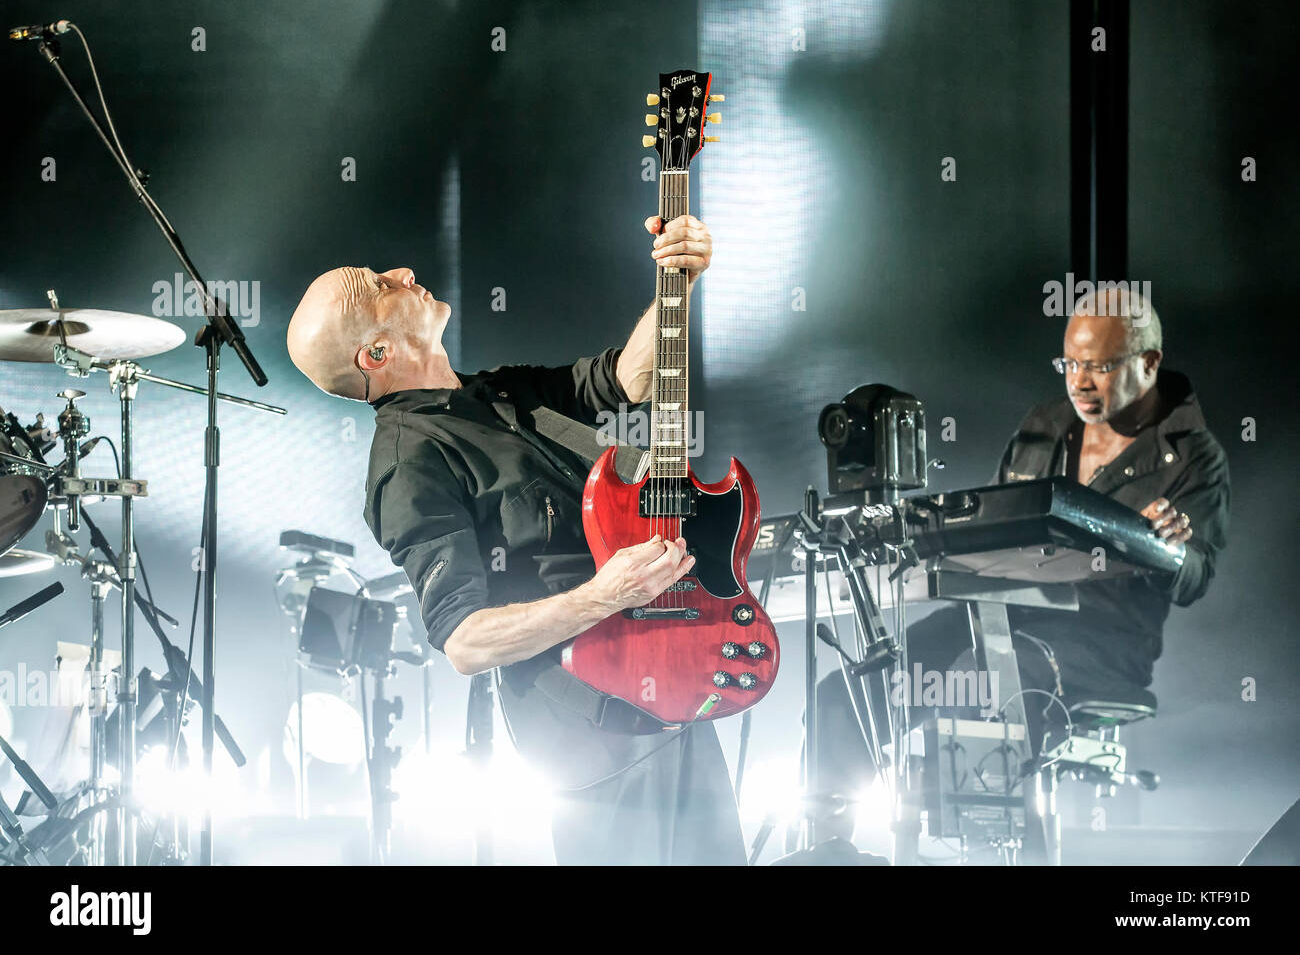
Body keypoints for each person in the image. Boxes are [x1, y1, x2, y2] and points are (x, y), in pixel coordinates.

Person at [286, 213, 747, 865]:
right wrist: (602, 596)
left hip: (673, 685)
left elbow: (631, 378)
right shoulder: (407, 463)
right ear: (377, 354)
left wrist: (680, 280)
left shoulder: (501, 393)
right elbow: (466, 642)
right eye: (379, 285)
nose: (404, 273)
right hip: (591, 731)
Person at [815, 288, 1230, 841]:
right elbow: (989, 525)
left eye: (1099, 367)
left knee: (980, 683)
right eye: (1070, 363)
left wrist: (1173, 547)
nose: (1080, 380)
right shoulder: (1045, 424)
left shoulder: (1196, 455)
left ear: (1149, 363)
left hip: (1102, 644)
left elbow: (1196, 576)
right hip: (994, 618)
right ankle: (829, 847)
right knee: (840, 697)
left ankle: (983, 850)